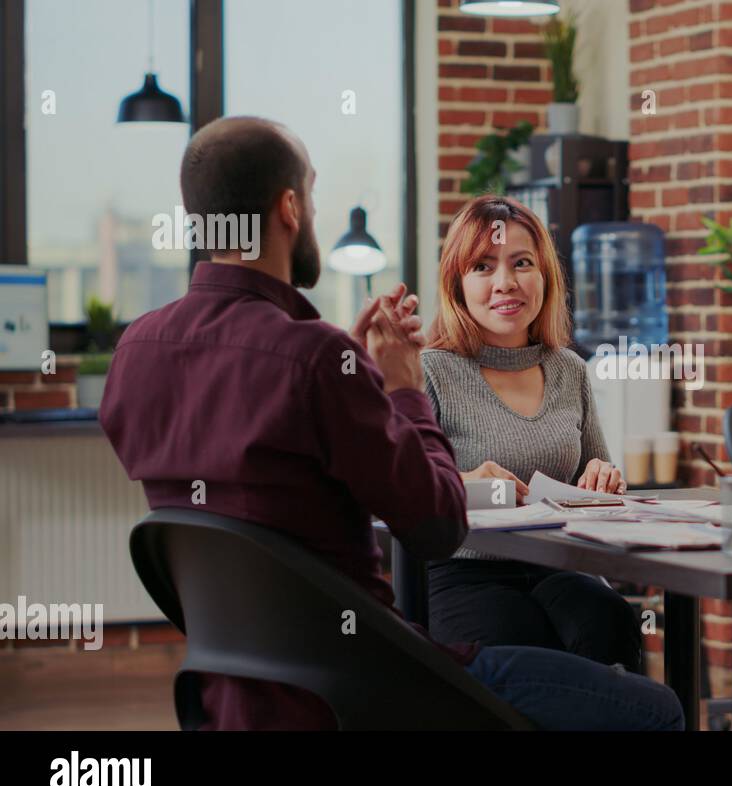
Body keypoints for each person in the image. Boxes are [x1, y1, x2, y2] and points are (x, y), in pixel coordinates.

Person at [100, 117, 681, 731]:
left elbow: (250, 484)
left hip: (233, 685)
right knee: (654, 709)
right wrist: (398, 388)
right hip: (370, 679)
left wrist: (355, 388)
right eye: (314, 197)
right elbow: (434, 526)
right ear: (290, 208)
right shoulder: (317, 359)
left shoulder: (136, 351)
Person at [417, 195, 641, 671]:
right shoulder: (431, 371)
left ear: (545, 276)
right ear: (456, 284)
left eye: (522, 263)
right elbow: (398, 494)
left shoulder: (570, 371)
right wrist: (464, 484)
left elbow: (597, 491)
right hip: (463, 570)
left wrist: (604, 477)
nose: (506, 283)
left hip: (556, 566)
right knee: (522, 647)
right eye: (483, 266)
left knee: (612, 622)